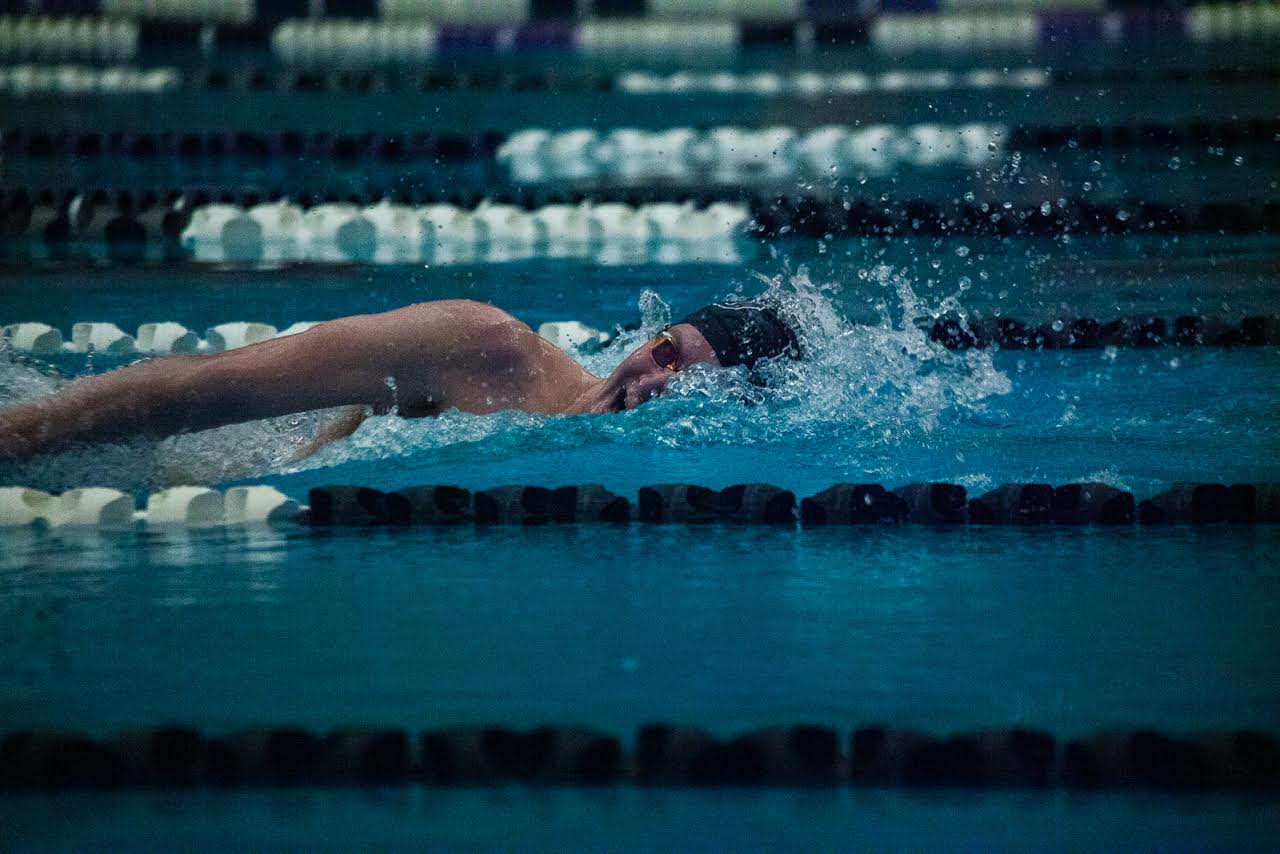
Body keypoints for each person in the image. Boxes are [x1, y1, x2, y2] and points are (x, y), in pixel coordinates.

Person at [0, 298, 800, 463]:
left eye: (684, 378)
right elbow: (201, 388)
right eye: (661, 351)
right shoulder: (485, 348)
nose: (651, 379)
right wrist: (24, 435)